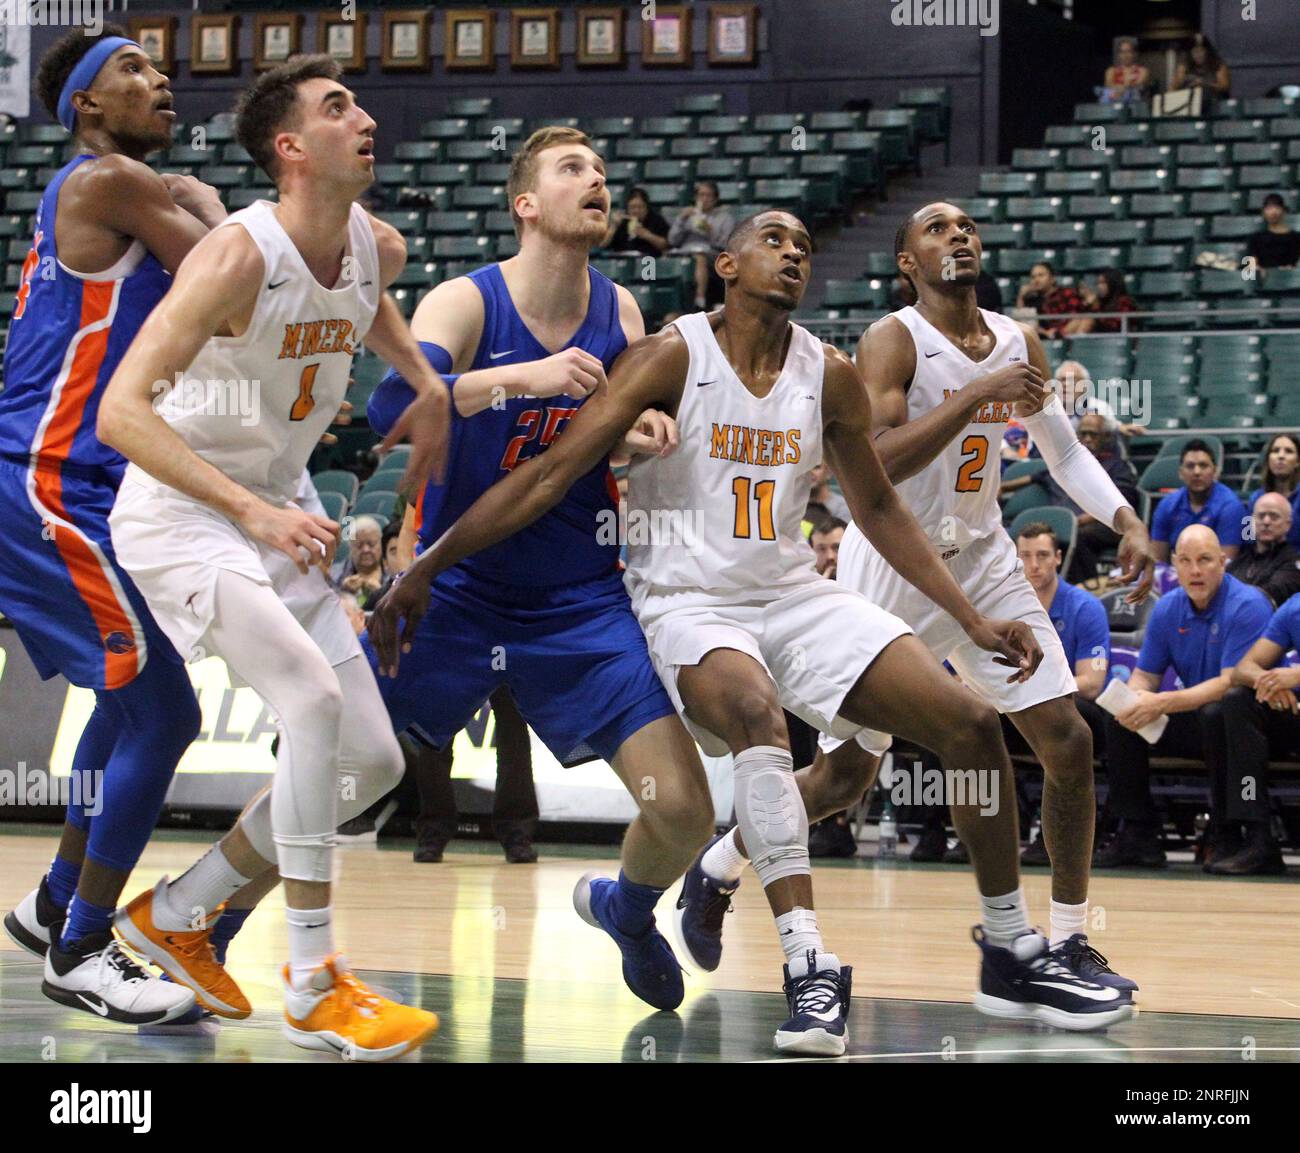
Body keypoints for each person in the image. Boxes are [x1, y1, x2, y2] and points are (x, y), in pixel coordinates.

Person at [374, 206, 1139, 1039]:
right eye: (772, 240)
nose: (793, 255)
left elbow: (877, 503)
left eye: (803, 247)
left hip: (793, 594)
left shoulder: (830, 371)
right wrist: (422, 565)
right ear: (728, 266)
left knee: (968, 724)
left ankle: (1009, 947)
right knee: (756, 717)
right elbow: (552, 472)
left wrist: (973, 621)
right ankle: (808, 963)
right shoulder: (670, 353)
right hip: (687, 601)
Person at [96, 56, 449, 1060]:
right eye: (338, 107)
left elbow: (366, 294)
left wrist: (423, 379)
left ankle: (179, 914)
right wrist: (253, 510)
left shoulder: (375, 242)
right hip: (184, 510)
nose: (365, 116)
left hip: (273, 505)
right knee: (313, 702)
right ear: (289, 149)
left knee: (372, 761)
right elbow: (120, 412)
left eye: (359, 99)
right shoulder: (236, 257)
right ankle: (309, 986)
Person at [733, 200, 1155, 999]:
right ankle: (721, 860)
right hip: (894, 561)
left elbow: (1062, 451)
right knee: (847, 775)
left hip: (983, 552)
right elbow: (878, 467)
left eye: (965, 225)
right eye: (935, 228)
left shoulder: (1015, 338)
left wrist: (1127, 517)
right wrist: (979, 394)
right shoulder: (893, 339)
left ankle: (1063, 942)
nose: (957, 233)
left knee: (1067, 737)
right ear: (907, 263)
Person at [356, 126, 727, 1035]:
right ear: (526, 203)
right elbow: (396, 410)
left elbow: (628, 436)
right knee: (329, 773)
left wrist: (638, 436)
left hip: (579, 598)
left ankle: (627, 906)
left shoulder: (625, 311)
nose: (597, 179)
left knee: (683, 809)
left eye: (603, 169)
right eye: (573, 170)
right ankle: (201, 917)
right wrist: (529, 377)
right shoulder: (465, 301)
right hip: (450, 588)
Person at [0, 27, 229, 1026]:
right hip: (46, 479)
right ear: (86, 105)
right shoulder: (105, 181)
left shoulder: (116, 188)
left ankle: (56, 905)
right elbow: (233, 289)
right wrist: (210, 204)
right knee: (168, 713)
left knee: (125, 700)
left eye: (158, 65)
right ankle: (86, 948)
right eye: (131, 69)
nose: (159, 78)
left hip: (80, 484)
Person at [1096, 526, 1271, 868]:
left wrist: (1160, 703)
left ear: (1223, 562)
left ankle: (1227, 832)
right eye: (1186, 561)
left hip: (1242, 723)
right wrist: (1135, 699)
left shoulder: (1247, 604)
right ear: (1174, 564)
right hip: (1191, 717)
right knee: (1119, 719)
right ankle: (1138, 832)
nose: (1195, 571)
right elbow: (1146, 675)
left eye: (1205, 560)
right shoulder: (1168, 608)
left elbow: (1229, 682)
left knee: (1219, 712)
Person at [1014, 522, 1112, 863]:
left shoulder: (1086, 607)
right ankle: (979, 829)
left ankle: (1051, 835)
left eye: (1042, 556)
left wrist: (1039, 688)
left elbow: (1092, 681)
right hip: (1016, 709)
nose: (1033, 565)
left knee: (1060, 720)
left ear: (1057, 558)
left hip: (1071, 710)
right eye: (1025, 556)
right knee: (968, 719)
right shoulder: (1003, 607)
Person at [1218, 593, 1300, 874]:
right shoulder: (1294, 608)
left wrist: (1297, 675)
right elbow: (1242, 669)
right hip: (1294, 713)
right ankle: (1257, 836)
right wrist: (1270, 682)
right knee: (1237, 701)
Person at [411, 685, 539, 864]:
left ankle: (516, 833)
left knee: (513, 724)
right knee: (435, 724)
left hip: (503, 656)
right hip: (452, 657)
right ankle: (433, 831)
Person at [1042, 414, 1141, 582]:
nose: (1087, 439)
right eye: (1083, 434)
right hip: (1074, 523)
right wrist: (1001, 487)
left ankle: (1087, 586)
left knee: (1078, 536)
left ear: (1107, 437)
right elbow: (1036, 476)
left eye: (1093, 434)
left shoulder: (1118, 466)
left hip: (1107, 524)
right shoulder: (1068, 464)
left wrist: (1079, 521)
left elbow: (1126, 500)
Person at [1151, 439, 1247, 563]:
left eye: (1203, 466)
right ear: (1181, 473)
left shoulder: (1231, 507)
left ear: (1215, 472)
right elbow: (1158, 561)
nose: (1197, 472)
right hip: (1176, 575)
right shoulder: (1167, 505)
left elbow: (1225, 564)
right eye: (1190, 466)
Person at [668, 180, 734, 309]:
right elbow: (672, 240)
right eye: (701, 195)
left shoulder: (724, 218)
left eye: (708, 195)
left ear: (715, 199)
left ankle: (699, 300)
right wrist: (682, 220)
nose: (704, 199)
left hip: (711, 255)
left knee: (699, 257)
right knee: (652, 262)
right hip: (684, 253)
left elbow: (726, 244)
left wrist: (710, 230)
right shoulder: (688, 216)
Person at [1227, 492, 1300, 608]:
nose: (1266, 522)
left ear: (1288, 524)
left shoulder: (1293, 565)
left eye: (1274, 516)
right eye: (1261, 516)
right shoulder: (1241, 559)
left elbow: (1263, 598)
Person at [1246, 433, 1300, 546]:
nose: (1281, 456)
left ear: (1297, 461)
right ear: (1268, 459)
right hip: (1262, 561)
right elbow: (1247, 537)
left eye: (1289, 451)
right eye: (1275, 451)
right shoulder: (1255, 498)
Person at [1014, 262, 1083, 339]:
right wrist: (1021, 297)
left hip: (1066, 335)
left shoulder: (1066, 294)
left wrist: (1058, 333)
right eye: (1033, 277)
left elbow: (1077, 318)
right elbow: (1022, 323)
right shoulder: (1030, 299)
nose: (1036, 280)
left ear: (1052, 278)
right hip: (1040, 338)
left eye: (1041, 275)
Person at [602, 186, 670, 257]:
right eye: (633, 207)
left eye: (640, 207)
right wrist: (614, 226)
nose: (636, 211)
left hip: (649, 262)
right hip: (622, 259)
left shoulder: (656, 220)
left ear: (647, 207)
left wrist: (647, 235)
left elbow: (665, 245)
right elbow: (603, 245)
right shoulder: (622, 221)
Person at [336, 514, 385, 607]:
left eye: (371, 544)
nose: (365, 550)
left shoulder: (393, 573)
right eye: (359, 545)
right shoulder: (335, 574)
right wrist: (342, 591)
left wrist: (380, 594)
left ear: (381, 544)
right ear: (350, 547)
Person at [1246, 194, 1300, 273]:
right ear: (1263, 212)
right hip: (1264, 282)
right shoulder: (1255, 238)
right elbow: (1251, 265)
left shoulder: (1296, 237)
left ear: (1284, 211)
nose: (1273, 212)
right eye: (1269, 208)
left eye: (1277, 208)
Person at [1171, 34, 1231, 103]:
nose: (1198, 55)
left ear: (1207, 52)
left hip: (1214, 103)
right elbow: (1173, 88)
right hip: (1190, 105)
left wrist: (1205, 85)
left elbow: (1225, 87)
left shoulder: (1218, 65)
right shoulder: (1184, 67)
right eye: (1195, 51)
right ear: (1190, 53)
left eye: (1201, 51)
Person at [1078, 269, 1138, 335]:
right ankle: (1068, 343)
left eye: (1103, 283)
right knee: (1077, 321)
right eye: (1098, 283)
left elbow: (1116, 326)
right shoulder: (1101, 301)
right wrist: (1086, 304)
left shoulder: (1124, 301)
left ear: (1112, 283)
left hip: (1116, 338)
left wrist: (1095, 307)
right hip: (1099, 336)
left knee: (1088, 320)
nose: (1099, 286)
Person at [1101, 37, 1149, 105]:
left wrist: (1124, 87)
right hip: (1114, 104)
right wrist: (1123, 87)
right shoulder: (1111, 71)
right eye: (1122, 52)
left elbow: (1140, 84)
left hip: (1135, 104)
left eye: (1128, 52)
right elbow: (1108, 84)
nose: (1125, 55)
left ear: (1134, 54)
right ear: (1119, 55)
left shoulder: (1142, 71)